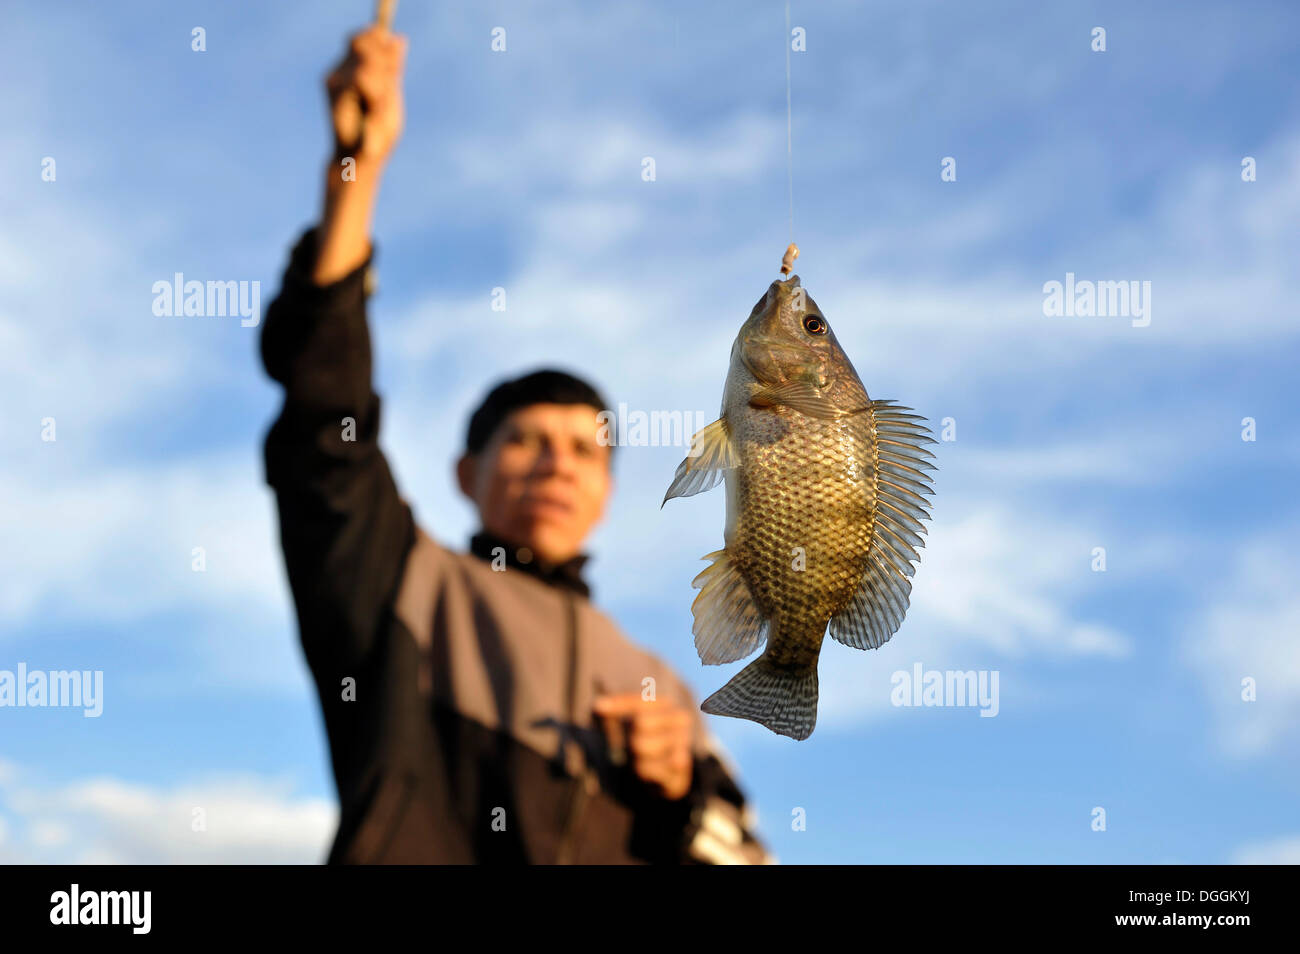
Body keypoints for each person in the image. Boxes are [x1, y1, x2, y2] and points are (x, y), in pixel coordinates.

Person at [259, 23, 770, 864]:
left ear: (607, 492)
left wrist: (682, 790)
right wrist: (356, 171)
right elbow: (326, 420)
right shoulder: (399, 583)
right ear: (468, 473)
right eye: (526, 441)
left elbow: (747, 856)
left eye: (583, 450)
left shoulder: (658, 685)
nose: (557, 464)